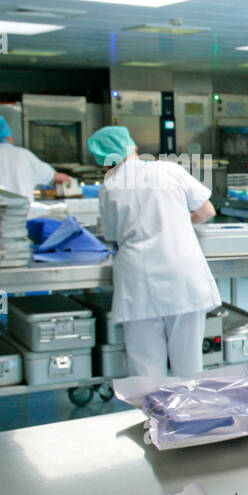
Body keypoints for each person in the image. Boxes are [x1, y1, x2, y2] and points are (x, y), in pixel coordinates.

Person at [91, 125, 220, 378]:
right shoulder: (169, 169)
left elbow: (112, 236)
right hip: (182, 271)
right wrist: (179, 222)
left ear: (104, 161)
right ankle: (190, 414)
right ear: (134, 147)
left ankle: (153, 416)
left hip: (140, 279)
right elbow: (207, 212)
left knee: (146, 367)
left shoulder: (110, 187)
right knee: (189, 366)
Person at [0, 116, 73, 195]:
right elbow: (51, 175)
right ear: (9, 136)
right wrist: (68, 179)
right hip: (20, 216)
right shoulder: (24, 155)